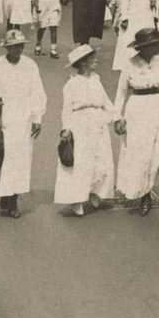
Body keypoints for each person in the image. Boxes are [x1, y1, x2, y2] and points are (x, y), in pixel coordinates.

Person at [112, 26, 159, 215]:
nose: (156, 47)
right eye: (152, 45)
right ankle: (145, 195)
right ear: (141, 48)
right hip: (137, 111)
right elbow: (121, 93)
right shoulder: (130, 64)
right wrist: (117, 117)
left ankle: (147, 187)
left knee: (158, 154)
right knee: (140, 154)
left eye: (156, 43)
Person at [0, 29, 48, 219]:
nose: (17, 50)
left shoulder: (30, 65)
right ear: (6, 48)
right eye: (13, 47)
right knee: (4, 159)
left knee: (20, 161)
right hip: (2, 119)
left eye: (20, 46)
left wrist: (37, 118)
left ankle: (13, 199)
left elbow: (38, 93)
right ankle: (6, 196)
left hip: (24, 119)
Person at [53, 44, 117, 216]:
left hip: (98, 123)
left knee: (101, 158)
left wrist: (116, 117)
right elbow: (66, 109)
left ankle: (96, 192)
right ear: (82, 63)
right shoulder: (71, 84)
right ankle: (77, 199)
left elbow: (106, 101)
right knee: (82, 161)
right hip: (80, 124)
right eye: (91, 58)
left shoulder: (96, 80)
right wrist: (66, 129)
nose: (95, 60)